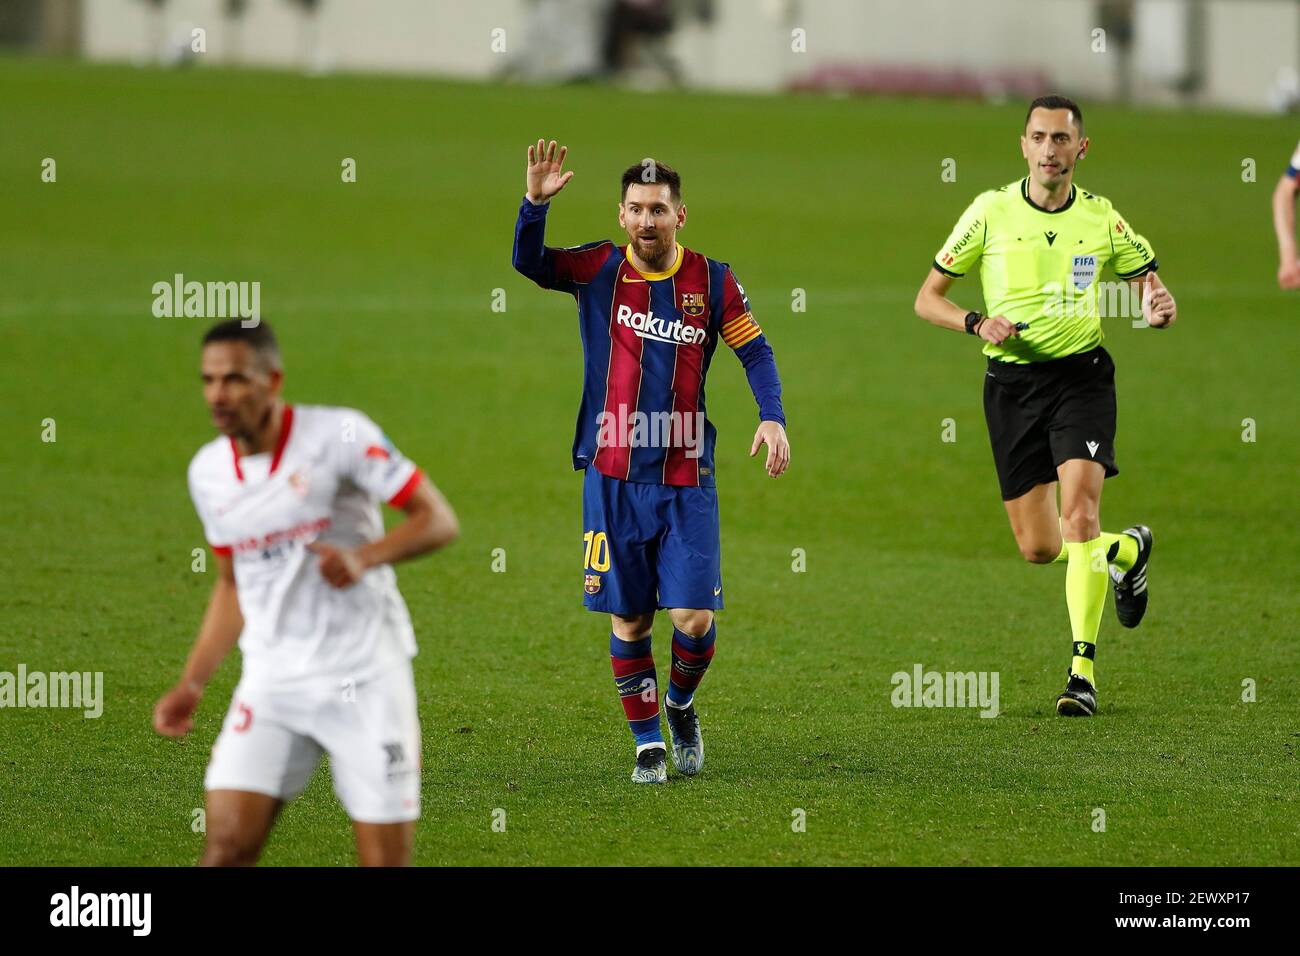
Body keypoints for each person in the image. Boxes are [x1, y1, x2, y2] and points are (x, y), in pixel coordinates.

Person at [512, 140, 789, 780]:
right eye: (636, 209)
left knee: (695, 618)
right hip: (611, 476)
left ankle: (681, 704)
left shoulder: (714, 281)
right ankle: (647, 745)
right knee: (630, 618)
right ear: (621, 215)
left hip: (687, 472)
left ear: (680, 216)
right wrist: (534, 204)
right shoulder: (598, 269)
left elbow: (756, 352)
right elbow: (529, 262)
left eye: (658, 210)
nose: (646, 221)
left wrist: (771, 415)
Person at [153, 320, 458, 864]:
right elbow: (232, 584)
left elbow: (437, 520)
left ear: (273, 380)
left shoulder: (339, 435)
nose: (218, 396)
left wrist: (363, 557)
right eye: (209, 381)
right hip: (273, 684)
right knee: (224, 848)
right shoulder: (208, 474)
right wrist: (191, 683)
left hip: (366, 676)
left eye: (234, 380)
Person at [914, 95, 1177, 716]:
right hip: (1010, 388)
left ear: (1080, 149)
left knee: (1079, 518)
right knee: (1040, 545)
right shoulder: (989, 212)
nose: (1050, 149)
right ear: (1023, 145)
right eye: (1039, 137)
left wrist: (1156, 303)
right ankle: (1127, 552)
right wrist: (976, 322)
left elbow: (1149, 282)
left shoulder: (1102, 219)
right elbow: (928, 298)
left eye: (1062, 139)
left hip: (1082, 380)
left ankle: (1081, 671)